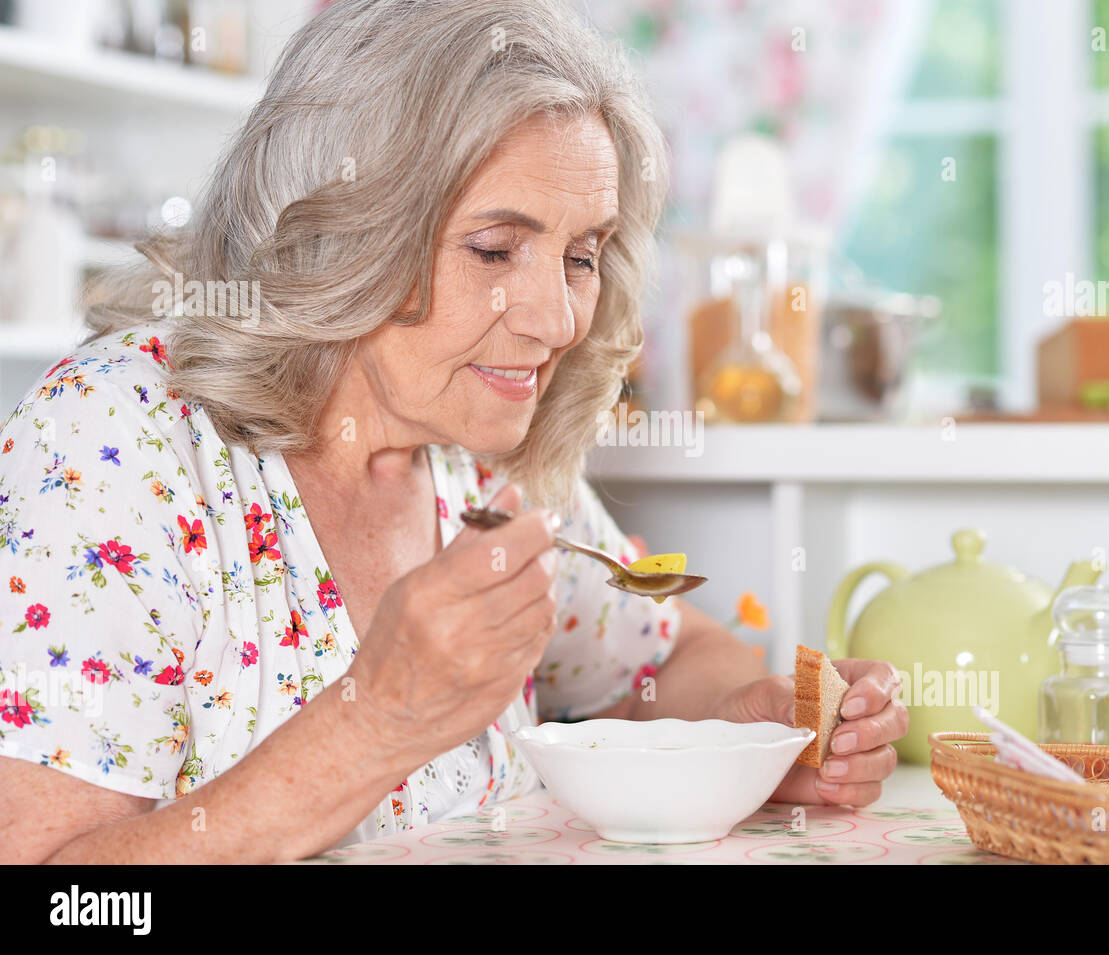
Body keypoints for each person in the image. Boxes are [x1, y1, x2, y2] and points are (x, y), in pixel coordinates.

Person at [0, 0, 906, 864]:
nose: (558, 319)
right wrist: (376, 717)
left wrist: (750, 729)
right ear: (344, 230)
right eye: (494, 250)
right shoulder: (120, 442)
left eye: (581, 255)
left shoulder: (473, 456)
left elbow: (668, 655)